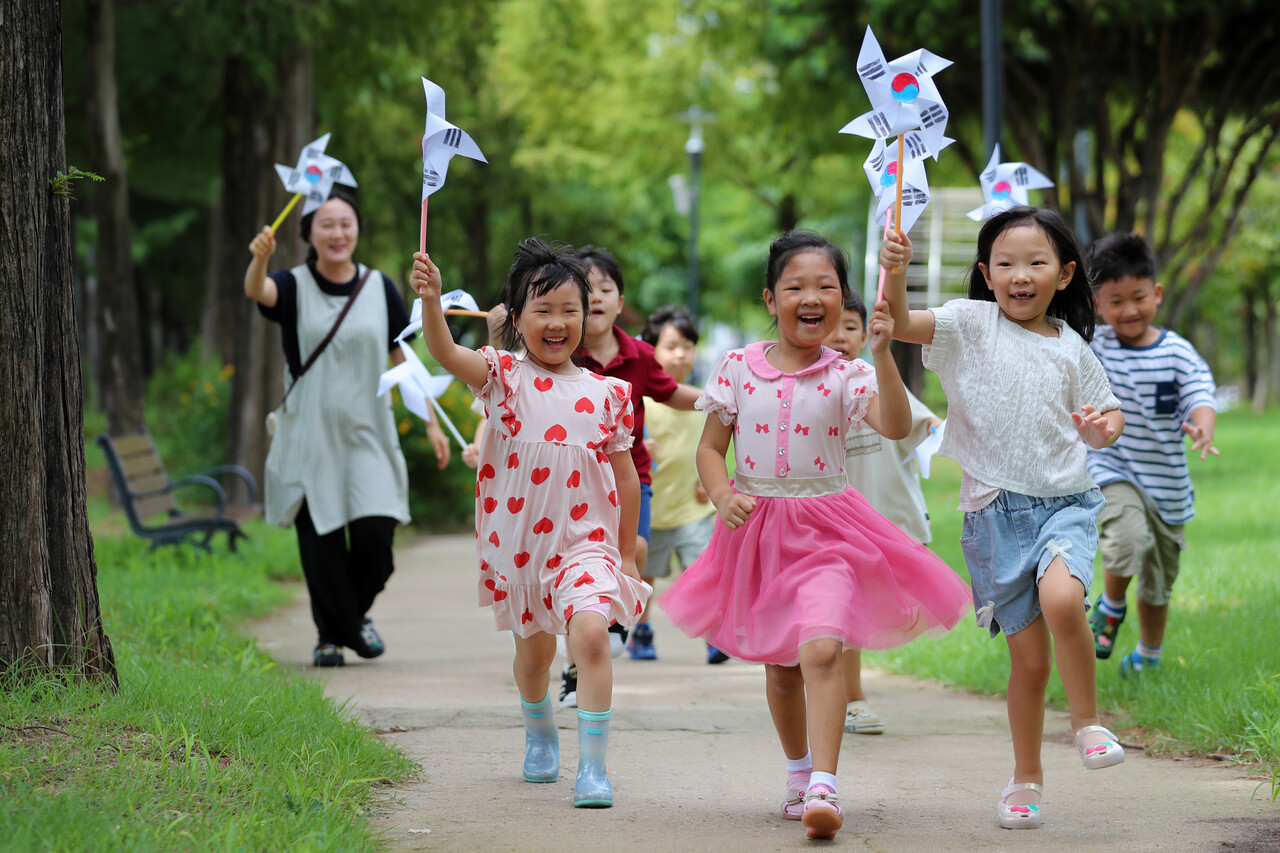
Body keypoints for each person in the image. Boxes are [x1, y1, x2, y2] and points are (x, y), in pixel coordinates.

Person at [659, 231, 972, 840]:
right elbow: (710, 448)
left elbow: (896, 424)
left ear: (842, 300)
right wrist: (722, 494)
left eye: (826, 286)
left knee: (822, 647)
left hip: (828, 527)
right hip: (758, 533)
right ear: (771, 298)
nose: (811, 296)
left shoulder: (848, 373)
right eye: (796, 286)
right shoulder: (736, 369)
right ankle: (798, 772)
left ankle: (826, 783)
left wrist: (882, 354)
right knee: (780, 667)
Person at [880, 206, 1127, 831]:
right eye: (1006, 263)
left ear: (1065, 274)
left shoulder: (1073, 349)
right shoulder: (968, 325)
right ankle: (1026, 779)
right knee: (1030, 664)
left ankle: (1087, 723)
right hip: (993, 514)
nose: (1021, 275)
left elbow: (1107, 416)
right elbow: (900, 322)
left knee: (1066, 601)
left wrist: (1102, 428)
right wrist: (896, 270)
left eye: (1037, 262)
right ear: (986, 274)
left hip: (1065, 503)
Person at [410, 238, 650, 808]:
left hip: (587, 544)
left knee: (590, 636)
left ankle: (593, 770)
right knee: (534, 658)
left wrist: (625, 551)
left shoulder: (608, 393)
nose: (558, 322)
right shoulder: (501, 379)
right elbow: (444, 352)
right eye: (542, 310)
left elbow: (624, 479)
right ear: (516, 318)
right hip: (521, 548)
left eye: (571, 309)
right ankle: (540, 728)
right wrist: (432, 300)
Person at [245, 189, 449, 668]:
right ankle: (329, 638)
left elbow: (407, 361)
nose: (337, 232)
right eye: (326, 224)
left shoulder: (380, 288)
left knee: (377, 539)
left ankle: (346, 623)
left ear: (357, 230)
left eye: (345, 223)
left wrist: (433, 425)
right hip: (309, 438)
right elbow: (259, 291)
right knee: (322, 544)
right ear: (309, 234)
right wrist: (259, 260)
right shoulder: (291, 284)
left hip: (368, 435)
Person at [1084, 233, 1218, 676]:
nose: (1128, 311)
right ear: (1098, 304)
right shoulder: (1094, 345)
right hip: (1112, 467)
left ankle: (1148, 657)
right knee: (1126, 538)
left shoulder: (1176, 351)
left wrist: (1202, 427)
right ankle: (1111, 603)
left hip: (1168, 486)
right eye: (1114, 301)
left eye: (1138, 297)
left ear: (1156, 294)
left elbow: (1201, 391)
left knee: (1159, 584)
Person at [570, 247, 702, 667]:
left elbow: (673, 394)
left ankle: (618, 620)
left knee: (638, 550)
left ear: (620, 303)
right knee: (578, 569)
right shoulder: (560, 354)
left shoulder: (642, 357)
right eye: (585, 290)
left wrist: (721, 399)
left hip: (632, 477)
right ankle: (577, 663)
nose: (596, 297)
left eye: (605, 288)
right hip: (574, 481)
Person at [823, 291, 943, 735]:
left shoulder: (874, 380)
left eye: (851, 327)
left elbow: (919, 423)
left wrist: (937, 431)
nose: (840, 337)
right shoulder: (809, 388)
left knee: (882, 608)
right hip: (833, 524)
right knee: (843, 610)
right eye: (833, 326)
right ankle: (851, 699)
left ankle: (832, 685)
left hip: (884, 518)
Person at [638, 306, 726, 664]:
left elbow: (715, 449)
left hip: (693, 510)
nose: (680, 354)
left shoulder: (701, 401)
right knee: (644, 579)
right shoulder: (640, 400)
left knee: (703, 574)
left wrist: (712, 481)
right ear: (650, 350)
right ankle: (641, 631)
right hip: (652, 512)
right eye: (671, 345)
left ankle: (713, 636)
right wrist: (638, 447)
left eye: (687, 346)